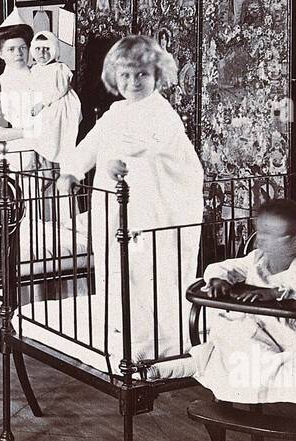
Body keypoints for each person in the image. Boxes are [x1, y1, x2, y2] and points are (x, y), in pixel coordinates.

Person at [56, 35, 204, 363]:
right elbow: (92, 143)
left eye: (141, 74)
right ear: (114, 79)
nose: (133, 82)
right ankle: (120, 330)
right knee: (114, 263)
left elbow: (152, 145)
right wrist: (72, 171)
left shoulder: (163, 113)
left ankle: (159, 340)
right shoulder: (115, 111)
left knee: (151, 267)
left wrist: (126, 161)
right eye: (125, 76)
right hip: (116, 204)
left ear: (156, 76)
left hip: (156, 207)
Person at [148, 199, 296, 403]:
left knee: (276, 359)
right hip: (258, 325)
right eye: (260, 233)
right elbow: (226, 266)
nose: (262, 239)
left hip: (290, 330)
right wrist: (218, 280)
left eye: (272, 235)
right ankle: (192, 364)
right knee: (231, 337)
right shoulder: (256, 260)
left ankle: (204, 365)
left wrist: (273, 293)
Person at [0, 11, 38, 169]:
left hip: (50, 149)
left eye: (22, 48)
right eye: (11, 49)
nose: (18, 53)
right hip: (17, 154)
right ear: (0, 54)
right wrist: (27, 132)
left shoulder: (42, 75)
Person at [26, 29, 81, 164]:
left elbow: (59, 90)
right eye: (38, 49)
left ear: (54, 50)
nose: (42, 53)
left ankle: (56, 157)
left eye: (46, 49)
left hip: (59, 103)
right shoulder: (35, 69)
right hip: (42, 103)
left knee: (51, 123)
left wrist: (42, 104)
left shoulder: (58, 68)